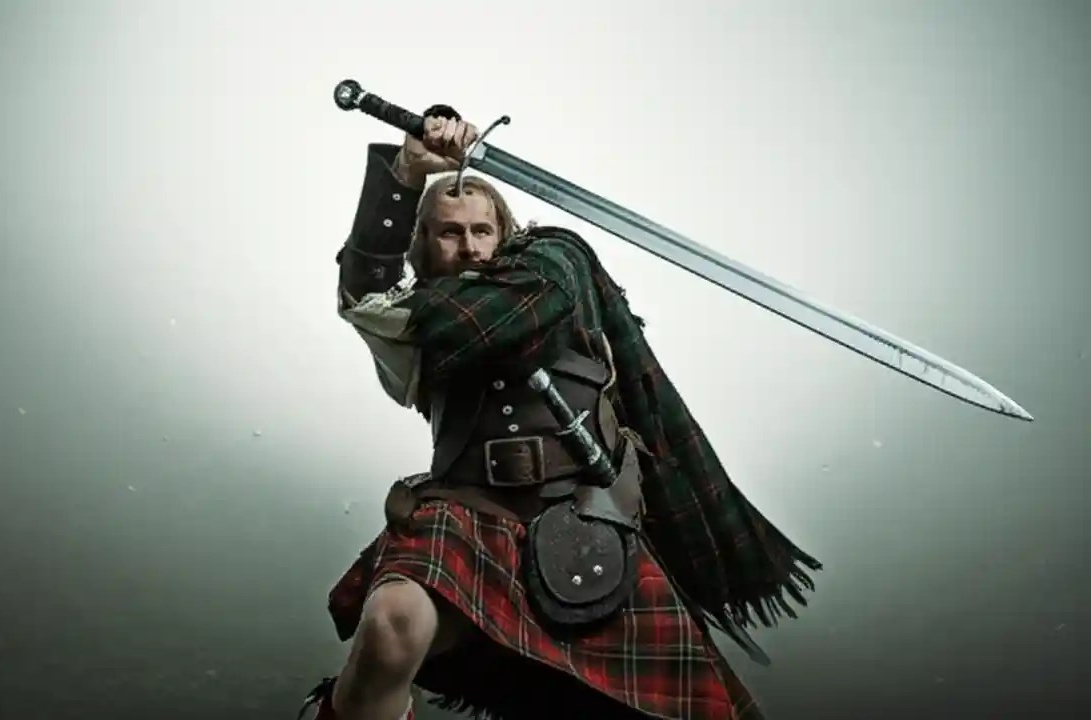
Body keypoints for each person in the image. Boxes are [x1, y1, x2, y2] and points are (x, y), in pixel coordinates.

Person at [299, 105, 822, 720]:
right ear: (424, 244)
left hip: (589, 516)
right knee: (389, 629)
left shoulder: (559, 275)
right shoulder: (413, 329)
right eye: (448, 232)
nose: (468, 246)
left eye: (480, 230)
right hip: (469, 513)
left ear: (505, 233)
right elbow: (364, 292)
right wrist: (406, 174)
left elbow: (530, 296)